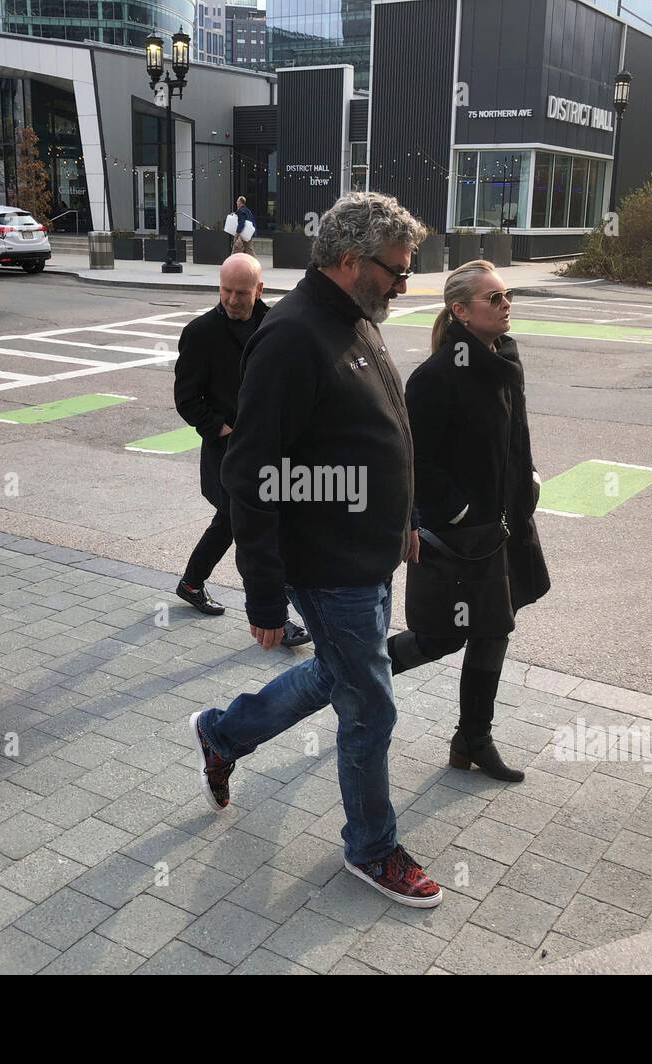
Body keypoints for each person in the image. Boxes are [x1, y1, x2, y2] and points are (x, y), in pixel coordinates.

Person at [185, 192, 444, 908]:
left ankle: (223, 733)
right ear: (351, 260)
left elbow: (384, 432)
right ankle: (372, 848)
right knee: (372, 707)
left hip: (368, 556)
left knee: (339, 680)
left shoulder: (356, 321)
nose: (403, 284)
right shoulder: (294, 336)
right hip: (328, 571)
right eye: (395, 270)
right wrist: (264, 594)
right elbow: (250, 471)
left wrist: (404, 520)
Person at [388, 260, 551, 782]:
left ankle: (472, 739)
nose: (506, 306)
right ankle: (353, 675)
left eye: (507, 296)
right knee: (440, 636)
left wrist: (525, 480)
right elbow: (417, 461)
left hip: (506, 522)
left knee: (496, 626)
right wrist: (460, 511)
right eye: (494, 299)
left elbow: (513, 432)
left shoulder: (503, 358)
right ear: (460, 310)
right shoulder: (437, 376)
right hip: (463, 536)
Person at [173, 253, 309, 647]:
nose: (232, 300)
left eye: (241, 292)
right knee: (256, 532)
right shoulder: (201, 332)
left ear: (260, 290)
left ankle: (190, 582)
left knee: (232, 524)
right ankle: (276, 620)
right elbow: (187, 398)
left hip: (273, 450)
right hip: (229, 455)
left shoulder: (278, 325)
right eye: (226, 291)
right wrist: (223, 428)